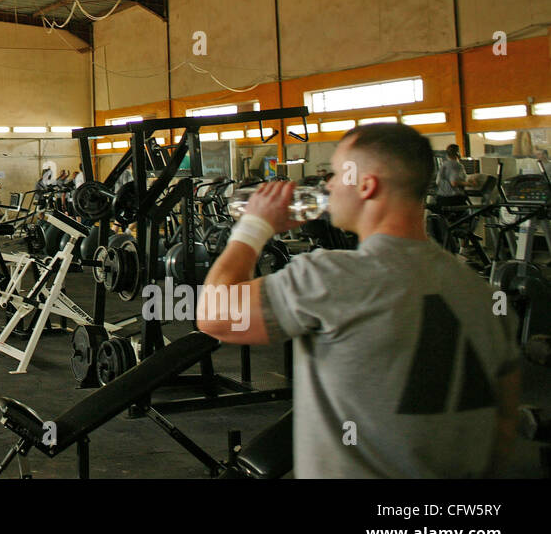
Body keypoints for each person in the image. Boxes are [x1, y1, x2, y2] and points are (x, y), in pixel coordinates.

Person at [197, 123, 519, 478]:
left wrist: (253, 227)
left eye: (336, 174)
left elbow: (216, 313)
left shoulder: (329, 276)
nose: (328, 185)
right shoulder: (485, 297)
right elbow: (503, 431)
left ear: (367, 185)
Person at [434, 144, 468, 213]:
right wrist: (470, 183)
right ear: (458, 153)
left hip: (441, 200)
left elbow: (437, 182)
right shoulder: (457, 165)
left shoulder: (443, 165)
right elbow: (454, 182)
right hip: (453, 200)